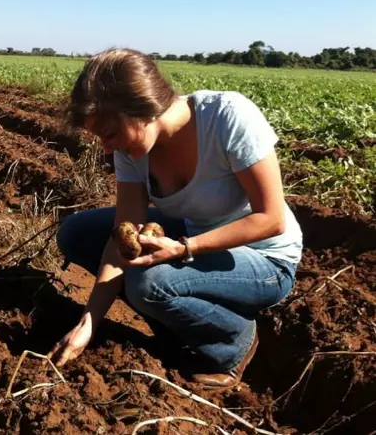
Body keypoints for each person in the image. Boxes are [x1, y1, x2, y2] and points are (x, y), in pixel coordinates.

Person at [51, 48, 303, 389]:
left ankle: (233, 340)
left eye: (110, 134)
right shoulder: (133, 149)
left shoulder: (228, 117)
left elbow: (272, 219)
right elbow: (122, 234)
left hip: (265, 259)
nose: (107, 148)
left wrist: (185, 248)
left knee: (148, 283)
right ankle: (176, 323)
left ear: (143, 108)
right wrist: (90, 321)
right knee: (78, 233)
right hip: (193, 237)